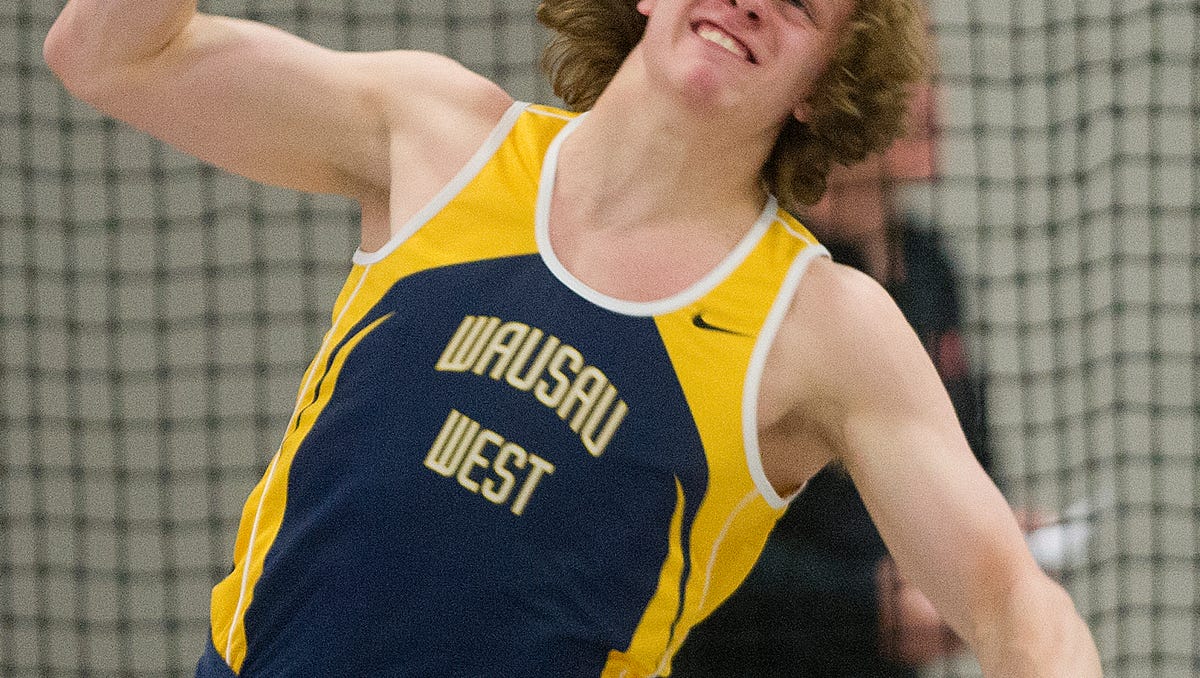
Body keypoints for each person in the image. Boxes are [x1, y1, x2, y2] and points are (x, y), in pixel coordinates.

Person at [43, 0, 1103, 675]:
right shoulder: (439, 134)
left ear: (825, 91)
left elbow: (1015, 605)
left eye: (796, 2)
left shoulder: (819, 324)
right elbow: (108, 57)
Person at [671, 84, 991, 677]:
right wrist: (868, 605)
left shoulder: (926, 266)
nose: (929, 99)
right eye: (903, 73)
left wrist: (988, 535)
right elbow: (685, 533)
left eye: (932, 66)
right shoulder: (749, 280)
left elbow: (964, 459)